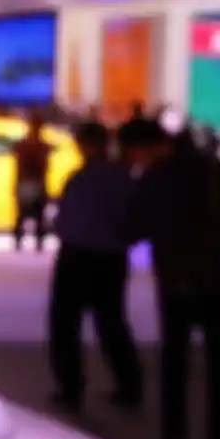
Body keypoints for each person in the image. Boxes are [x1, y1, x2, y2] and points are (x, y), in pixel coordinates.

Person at [128, 122, 220, 439]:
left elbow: (134, 226)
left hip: (174, 277)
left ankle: (174, 432)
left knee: (174, 355)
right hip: (214, 275)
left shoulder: (155, 178)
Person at [48, 122, 143, 414]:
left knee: (66, 323)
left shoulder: (80, 179)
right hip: (110, 258)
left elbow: (63, 221)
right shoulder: (122, 179)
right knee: (111, 322)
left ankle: (71, 388)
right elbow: (134, 222)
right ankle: (128, 386)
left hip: (77, 256)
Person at [13, 112, 52, 252]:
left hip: (29, 183)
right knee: (33, 214)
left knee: (26, 214)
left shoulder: (25, 145)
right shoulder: (41, 146)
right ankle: (34, 241)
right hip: (32, 183)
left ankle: (25, 241)